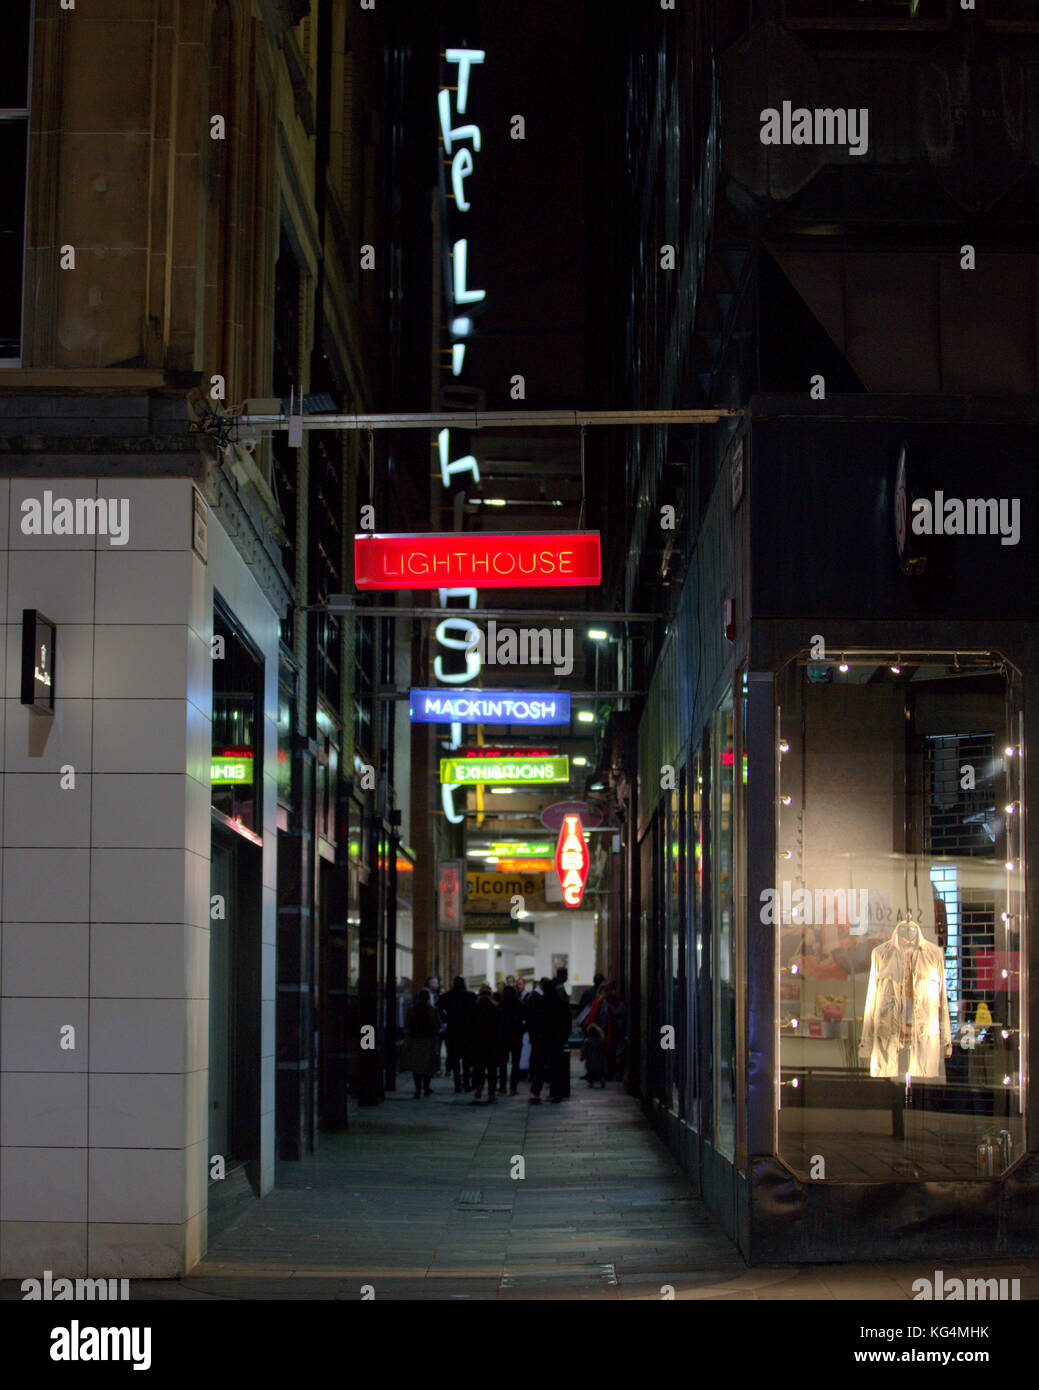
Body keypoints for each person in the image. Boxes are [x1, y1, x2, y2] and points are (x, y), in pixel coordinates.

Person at [399, 988, 442, 1098]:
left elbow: (407, 1025)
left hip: (414, 1040)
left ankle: (418, 1088)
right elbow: (438, 1026)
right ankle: (426, 1087)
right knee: (427, 1066)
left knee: (416, 1066)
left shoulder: (412, 1010)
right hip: (428, 1040)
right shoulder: (432, 1010)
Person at [440, 976, 477, 1093]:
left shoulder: (447, 996)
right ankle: (466, 1082)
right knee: (467, 1059)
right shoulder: (471, 996)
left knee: (454, 1058)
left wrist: (445, 1018)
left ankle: (457, 1083)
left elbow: (438, 1008)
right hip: (467, 1030)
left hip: (453, 1030)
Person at [470, 985, 505, 1103]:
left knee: (479, 1068)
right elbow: (500, 1028)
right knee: (492, 1070)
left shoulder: (475, 1009)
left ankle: (479, 1087)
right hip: (492, 1044)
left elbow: (471, 1027)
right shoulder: (496, 1010)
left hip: (479, 1043)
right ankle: (491, 1092)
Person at [500, 984, 526, 1095]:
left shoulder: (500, 1005)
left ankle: (502, 1087)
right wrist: (523, 1029)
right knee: (516, 1063)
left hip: (503, 1036)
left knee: (502, 1063)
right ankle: (513, 1087)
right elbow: (529, 1016)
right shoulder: (519, 1004)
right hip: (516, 1036)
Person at [580, 1023, 607, 1087]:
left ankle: (591, 1083)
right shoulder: (600, 1041)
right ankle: (601, 1080)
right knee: (600, 1072)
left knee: (591, 1072)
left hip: (590, 1060)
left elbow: (584, 1051)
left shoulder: (587, 1042)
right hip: (599, 1060)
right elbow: (603, 1052)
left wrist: (582, 1057)